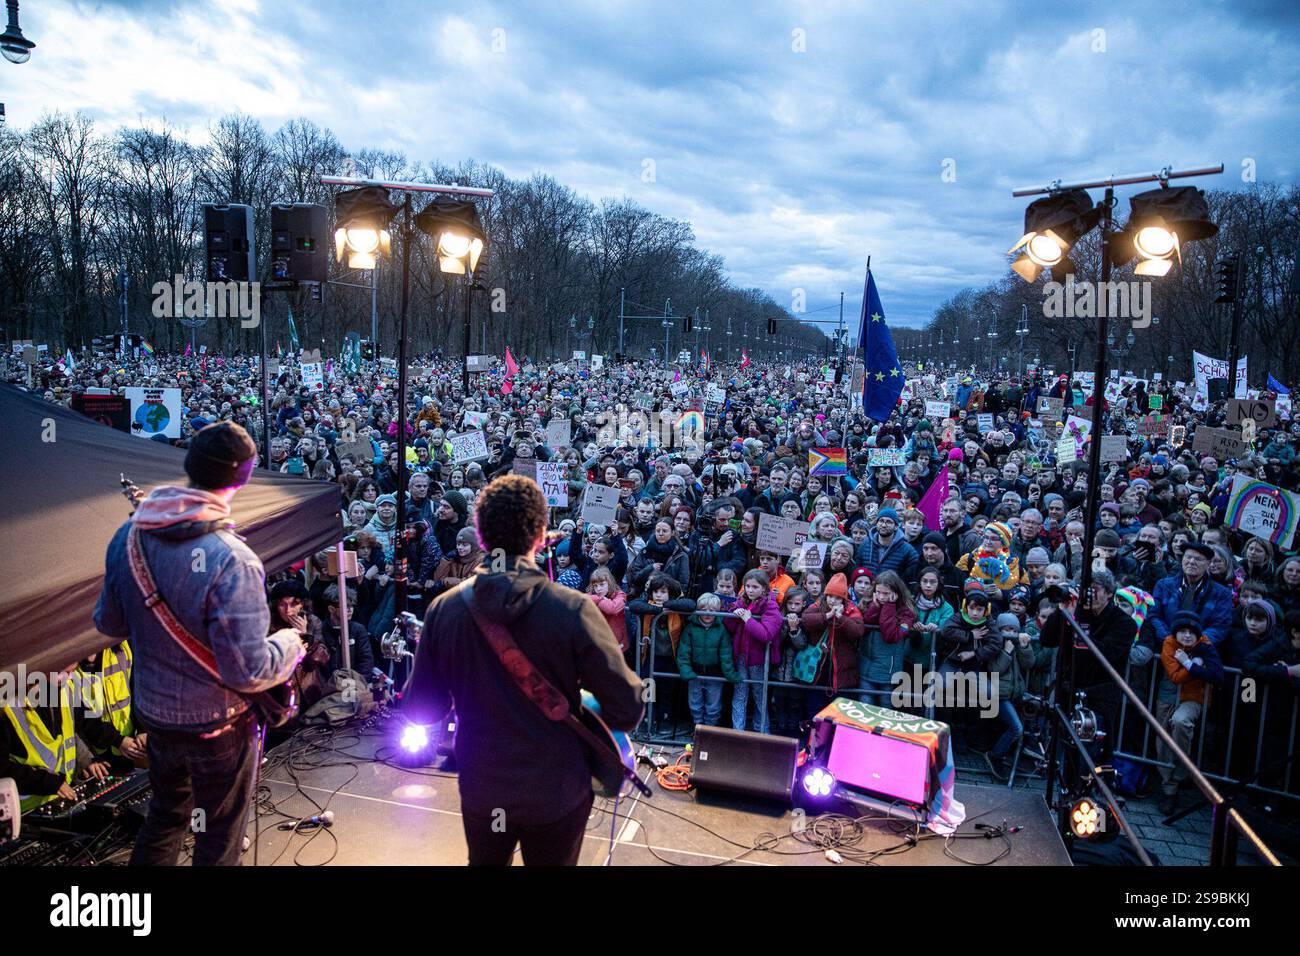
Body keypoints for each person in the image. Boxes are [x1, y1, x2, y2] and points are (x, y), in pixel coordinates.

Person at [93, 421, 305, 866]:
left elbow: (108, 622)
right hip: (219, 725)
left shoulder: (128, 537)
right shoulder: (233, 559)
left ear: (189, 464)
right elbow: (247, 671)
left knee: (164, 818)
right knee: (218, 835)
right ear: (244, 476)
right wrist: (289, 642)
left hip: (155, 717)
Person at [403, 475, 644, 866]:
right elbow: (628, 707)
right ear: (542, 533)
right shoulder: (573, 608)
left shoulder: (445, 610)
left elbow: (420, 711)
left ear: (481, 536)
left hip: (484, 787)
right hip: (556, 792)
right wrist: (580, 699)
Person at [1156, 610, 1225, 814]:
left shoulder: (1205, 645)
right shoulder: (1169, 643)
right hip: (1167, 695)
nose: (1187, 635)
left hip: (1194, 697)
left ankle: (1181, 772)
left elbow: (1217, 674)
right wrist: (1191, 665)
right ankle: (1169, 789)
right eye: (1183, 631)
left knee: (1180, 722)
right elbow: (1176, 675)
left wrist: (1192, 664)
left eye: (1191, 632)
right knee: (1162, 739)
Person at [676, 592, 742, 727]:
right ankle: (698, 727)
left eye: (712, 610)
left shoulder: (721, 629)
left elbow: (726, 654)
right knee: (695, 703)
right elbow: (683, 652)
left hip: (714, 674)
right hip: (695, 672)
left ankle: (709, 729)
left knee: (713, 705)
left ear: (718, 611)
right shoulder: (690, 627)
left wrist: (729, 673)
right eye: (704, 609)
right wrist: (686, 670)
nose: (707, 613)